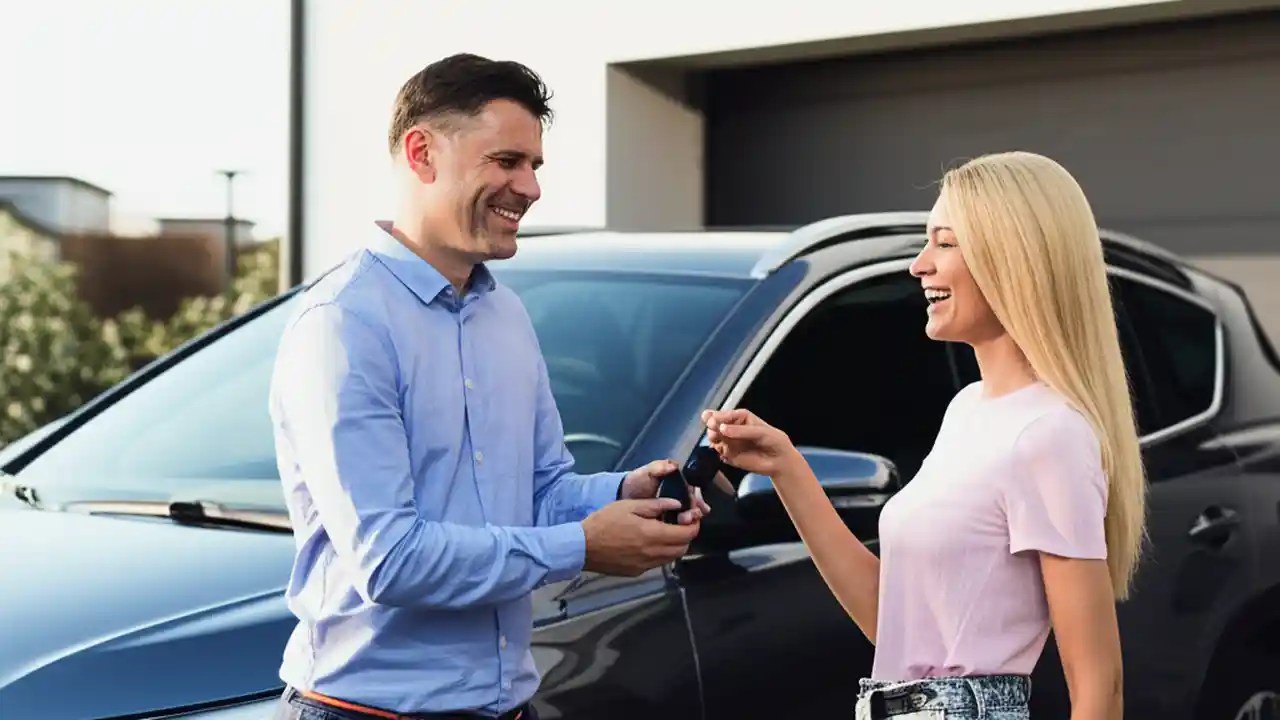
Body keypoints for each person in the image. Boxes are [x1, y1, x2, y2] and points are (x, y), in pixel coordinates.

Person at [268, 53, 709, 720]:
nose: (530, 188)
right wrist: (586, 545)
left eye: (534, 166)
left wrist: (623, 494)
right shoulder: (344, 325)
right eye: (507, 161)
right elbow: (390, 561)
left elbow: (538, 492)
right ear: (422, 153)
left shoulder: (505, 314)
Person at [702, 151, 1146, 720]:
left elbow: (1099, 688)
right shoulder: (967, 410)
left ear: (1014, 259)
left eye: (944, 242)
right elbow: (888, 619)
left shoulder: (1050, 435)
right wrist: (787, 467)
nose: (919, 265)